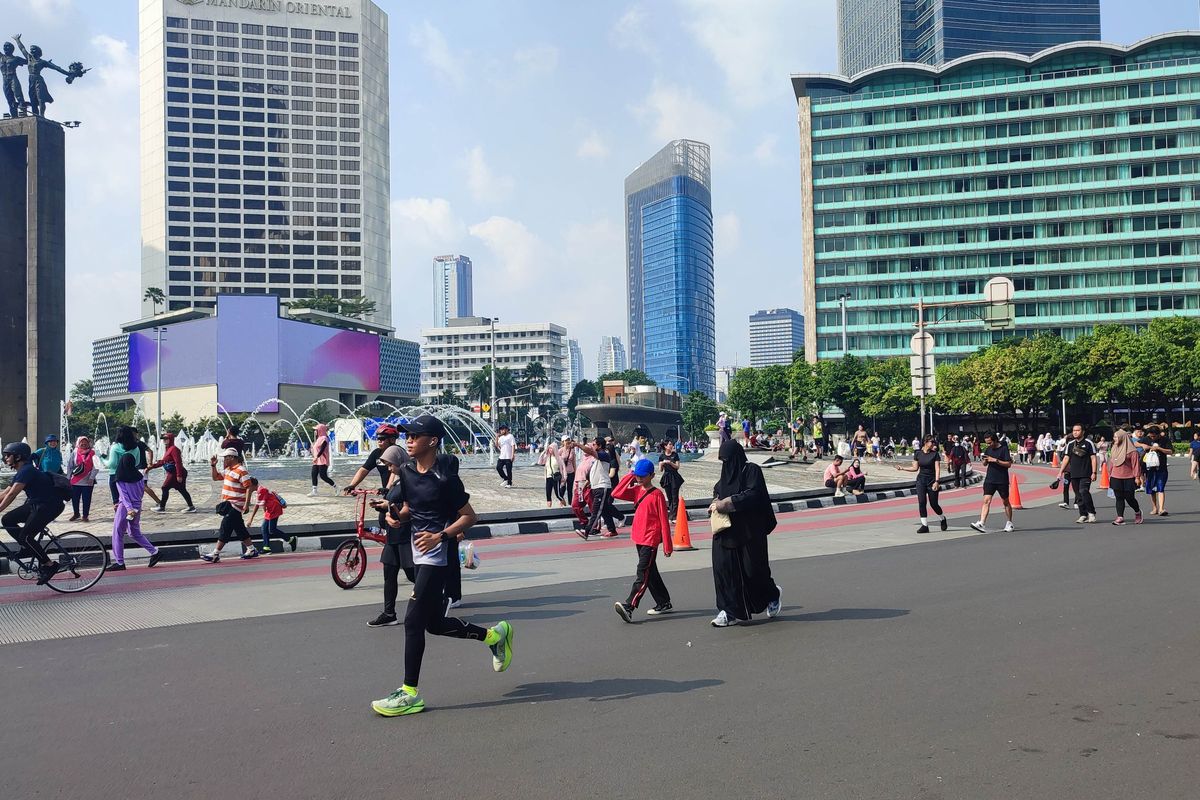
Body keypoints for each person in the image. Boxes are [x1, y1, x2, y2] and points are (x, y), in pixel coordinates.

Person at [370, 415, 513, 718]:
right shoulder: (407, 472)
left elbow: (469, 516)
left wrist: (441, 536)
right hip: (417, 551)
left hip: (438, 556)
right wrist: (397, 516)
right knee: (433, 624)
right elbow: (412, 508)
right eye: (406, 435)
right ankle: (494, 637)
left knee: (411, 621)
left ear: (432, 441)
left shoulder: (445, 479)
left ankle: (409, 693)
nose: (408, 440)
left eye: (414, 435)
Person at [708, 439, 782, 628]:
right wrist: (715, 503)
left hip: (750, 532)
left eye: (728, 460)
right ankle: (729, 611)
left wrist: (727, 503)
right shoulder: (725, 476)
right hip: (727, 532)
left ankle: (772, 595)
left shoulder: (751, 471)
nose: (726, 465)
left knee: (754, 572)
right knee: (724, 571)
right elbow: (718, 492)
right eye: (723, 461)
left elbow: (754, 494)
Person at [612, 458, 674, 622]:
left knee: (642, 572)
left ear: (652, 475)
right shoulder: (637, 490)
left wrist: (668, 545)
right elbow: (616, 492)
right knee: (650, 571)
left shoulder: (657, 494)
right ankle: (664, 602)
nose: (639, 478)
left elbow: (663, 521)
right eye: (637, 475)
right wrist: (631, 475)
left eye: (642, 475)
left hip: (650, 539)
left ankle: (629, 606)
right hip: (639, 537)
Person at [0, 441, 65, 584]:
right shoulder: (22, 471)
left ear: (18, 457)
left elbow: (12, 495)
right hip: (36, 504)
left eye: (8, 455)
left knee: (26, 536)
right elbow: (6, 493)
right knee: (7, 520)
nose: (5, 458)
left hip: (49, 506)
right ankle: (27, 548)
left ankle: (50, 565)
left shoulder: (27, 470)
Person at [367, 444, 415, 627]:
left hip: (405, 534)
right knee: (389, 573)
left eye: (390, 465)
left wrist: (390, 508)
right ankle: (389, 613)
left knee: (412, 575)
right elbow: (394, 502)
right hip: (393, 535)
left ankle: (437, 601)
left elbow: (409, 508)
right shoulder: (397, 481)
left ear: (399, 462)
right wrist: (384, 505)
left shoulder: (411, 481)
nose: (389, 469)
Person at [106, 426, 163, 571]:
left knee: (118, 531)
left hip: (127, 508)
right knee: (134, 532)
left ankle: (119, 562)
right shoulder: (139, 477)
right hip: (137, 507)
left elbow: (124, 497)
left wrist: (129, 509)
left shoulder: (120, 479)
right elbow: (140, 493)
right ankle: (154, 552)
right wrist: (134, 508)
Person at [201, 448, 259, 562]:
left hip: (235, 505)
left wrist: (246, 505)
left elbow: (248, 487)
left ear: (232, 457)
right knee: (239, 528)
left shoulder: (241, 470)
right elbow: (215, 477)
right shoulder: (228, 469)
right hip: (228, 505)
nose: (224, 460)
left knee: (225, 528)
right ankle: (251, 549)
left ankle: (215, 553)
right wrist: (213, 466)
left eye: (225, 458)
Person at [899, 436, 948, 533]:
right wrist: (903, 468)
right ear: (925, 442)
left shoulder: (935, 454)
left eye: (934, 442)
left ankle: (942, 518)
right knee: (922, 502)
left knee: (934, 504)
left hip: (932, 481)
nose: (933, 444)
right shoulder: (918, 453)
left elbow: (937, 469)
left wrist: (937, 481)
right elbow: (915, 468)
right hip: (921, 481)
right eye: (932, 442)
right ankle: (924, 525)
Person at [969, 432, 1014, 533]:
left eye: (989, 443)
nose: (988, 445)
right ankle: (982, 523)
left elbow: (1008, 464)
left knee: (1005, 502)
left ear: (995, 440)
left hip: (1002, 479)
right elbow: (985, 464)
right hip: (990, 479)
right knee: (986, 500)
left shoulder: (1003, 449)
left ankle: (1009, 522)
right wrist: (984, 461)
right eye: (987, 443)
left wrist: (995, 460)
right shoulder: (988, 449)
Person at [578, 436, 618, 539]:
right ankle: (612, 530)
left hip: (602, 487)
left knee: (596, 511)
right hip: (597, 487)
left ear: (599, 446)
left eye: (594, 444)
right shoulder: (597, 460)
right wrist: (587, 484)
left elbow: (590, 451)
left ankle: (587, 531)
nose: (592, 446)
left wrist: (577, 445)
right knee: (604, 510)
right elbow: (594, 473)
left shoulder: (604, 455)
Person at [342, 424, 399, 494]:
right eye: (378, 438)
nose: (379, 441)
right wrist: (352, 485)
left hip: (399, 492)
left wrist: (387, 488)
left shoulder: (397, 452)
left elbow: (394, 473)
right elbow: (364, 469)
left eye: (382, 438)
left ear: (392, 440)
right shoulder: (377, 454)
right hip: (387, 492)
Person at [147, 431, 196, 513]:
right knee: (182, 489)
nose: (164, 441)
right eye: (163, 439)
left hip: (175, 473)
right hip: (173, 472)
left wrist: (179, 475)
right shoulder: (168, 449)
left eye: (166, 439)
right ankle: (191, 507)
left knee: (165, 487)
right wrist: (151, 467)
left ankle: (162, 507)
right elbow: (163, 462)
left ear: (171, 439)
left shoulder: (174, 449)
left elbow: (178, 462)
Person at [1058, 424, 1097, 524]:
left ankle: (1091, 513)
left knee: (1084, 491)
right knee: (1078, 495)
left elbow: (1093, 458)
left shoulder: (1089, 443)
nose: (1075, 432)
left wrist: (1094, 472)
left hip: (1086, 473)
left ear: (1083, 431)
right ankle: (1083, 515)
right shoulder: (1070, 444)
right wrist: (1060, 472)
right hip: (1073, 474)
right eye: (1074, 430)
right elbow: (1066, 458)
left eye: (1078, 430)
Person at [245, 477, 294, 554]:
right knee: (264, 528)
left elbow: (257, 505)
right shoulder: (260, 489)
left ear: (252, 485)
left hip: (274, 509)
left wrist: (250, 519)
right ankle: (266, 547)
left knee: (272, 529)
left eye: (248, 485)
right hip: (270, 509)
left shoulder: (261, 490)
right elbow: (263, 502)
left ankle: (290, 539)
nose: (246, 487)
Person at [1108, 428, 1143, 525]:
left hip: (1128, 477)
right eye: (1114, 437)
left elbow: (1135, 465)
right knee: (1119, 497)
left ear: (1123, 438)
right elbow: (1111, 461)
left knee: (1129, 497)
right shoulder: (1114, 447)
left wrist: (1137, 477)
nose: (1114, 439)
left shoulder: (1132, 451)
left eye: (1116, 437)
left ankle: (1137, 512)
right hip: (1115, 476)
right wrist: (1109, 474)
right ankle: (1120, 517)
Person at [65, 436, 101, 522]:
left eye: (85, 442)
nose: (83, 444)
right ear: (78, 443)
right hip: (75, 480)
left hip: (88, 481)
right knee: (75, 498)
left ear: (88, 443)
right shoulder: (75, 452)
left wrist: (92, 477)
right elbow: (70, 466)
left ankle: (85, 515)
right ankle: (76, 513)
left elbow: (96, 466)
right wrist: (68, 478)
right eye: (82, 442)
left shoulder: (93, 453)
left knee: (86, 499)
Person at [1141, 427, 1173, 517]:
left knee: (1160, 488)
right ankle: (1154, 507)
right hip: (1150, 469)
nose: (1152, 438)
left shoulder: (1165, 440)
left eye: (1154, 436)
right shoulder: (1146, 439)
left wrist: (1159, 448)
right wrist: (1142, 445)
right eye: (1150, 436)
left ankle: (1161, 508)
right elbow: (1135, 442)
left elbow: (1170, 451)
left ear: (1159, 434)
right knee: (1151, 489)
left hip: (1161, 468)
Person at [658, 440, 684, 520]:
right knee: (669, 497)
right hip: (666, 477)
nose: (671, 445)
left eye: (671, 444)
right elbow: (660, 470)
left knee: (674, 496)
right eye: (669, 444)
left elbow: (677, 466)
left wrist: (670, 463)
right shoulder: (662, 456)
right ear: (665, 446)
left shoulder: (675, 455)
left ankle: (674, 516)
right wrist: (662, 464)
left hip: (674, 477)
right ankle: (672, 515)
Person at [309, 422, 337, 496]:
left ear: (320, 430)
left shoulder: (324, 438)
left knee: (323, 476)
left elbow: (322, 449)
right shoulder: (318, 439)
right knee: (313, 474)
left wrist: (317, 457)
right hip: (317, 460)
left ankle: (336, 487)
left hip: (322, 460)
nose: (315, 431)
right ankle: (314, 490)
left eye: (317, 430)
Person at [537, 440, 563, 509]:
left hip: (556, 477)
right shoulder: (547, 457)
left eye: (551, 448)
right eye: (549, 448)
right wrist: (543, 452)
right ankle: (549, 509)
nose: (550, 450)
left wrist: (563, 478)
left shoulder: (559, 458)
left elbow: (562, 469)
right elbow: (539, 462)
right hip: (548, 477)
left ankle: (565, 506)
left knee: (558, 495)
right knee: (548, 495)